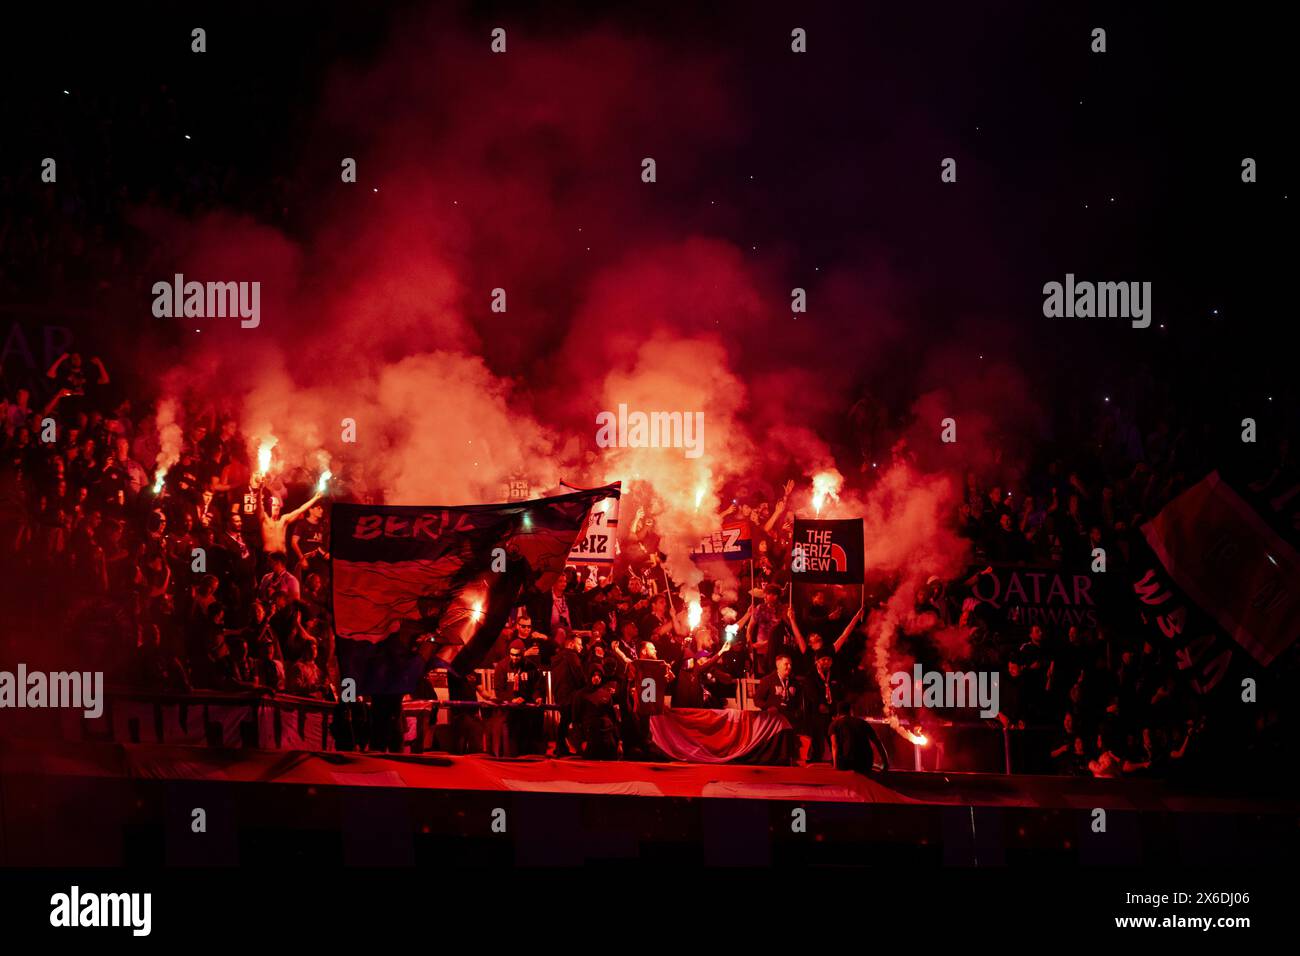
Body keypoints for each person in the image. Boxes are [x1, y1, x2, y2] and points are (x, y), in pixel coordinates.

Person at [488, 639, 544, 756]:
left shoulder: (531, 667)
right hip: (508, 713)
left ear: (523, 653)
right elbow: (499, 691)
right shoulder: (502, 667)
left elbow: (536, 686)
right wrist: (511, 699)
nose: (514, 657)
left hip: (526, 711)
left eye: (517, 655)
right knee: (510, 746)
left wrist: (537, 697)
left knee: (526, 745)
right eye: (512, 654)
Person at [549, 629, 586, 756]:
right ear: (571, 645)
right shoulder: (572, 656)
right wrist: (586, 687)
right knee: (574, 720)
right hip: (571, 695)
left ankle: (561, 747)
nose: (582, 647)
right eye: (579, 644)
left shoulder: (557, 659)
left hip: (560, 695)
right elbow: (578, 674)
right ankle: (579, 747)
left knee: (565, 720)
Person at [572, 666, 620, 759]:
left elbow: (613, 718)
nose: (596, 678)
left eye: (599, 675)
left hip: (607, 738)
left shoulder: (606, 694)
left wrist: (618, 740)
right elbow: (576, 720)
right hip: (590, 737)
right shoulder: (580, 695)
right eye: (594, 675)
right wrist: (581, 741)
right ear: (589, 676)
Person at [830, 702, 890, 774]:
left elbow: (834, 745)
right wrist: (886, 763)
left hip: (847, 764)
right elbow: (877, 742)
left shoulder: (834, 724)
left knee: (833, 761)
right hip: (865, 763)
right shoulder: (862, 723)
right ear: (851, 711)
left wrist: (836, 767)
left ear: (838, 713)